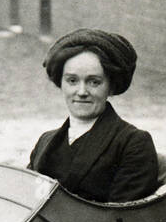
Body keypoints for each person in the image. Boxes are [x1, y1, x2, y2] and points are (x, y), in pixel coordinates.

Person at [28, 29, 158, 203]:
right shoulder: (46, 141)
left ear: (111, 86)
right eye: (72, 81)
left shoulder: (132, 143)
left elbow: (121, 219)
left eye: (94, 82)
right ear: (61, 83)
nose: (81, 92)